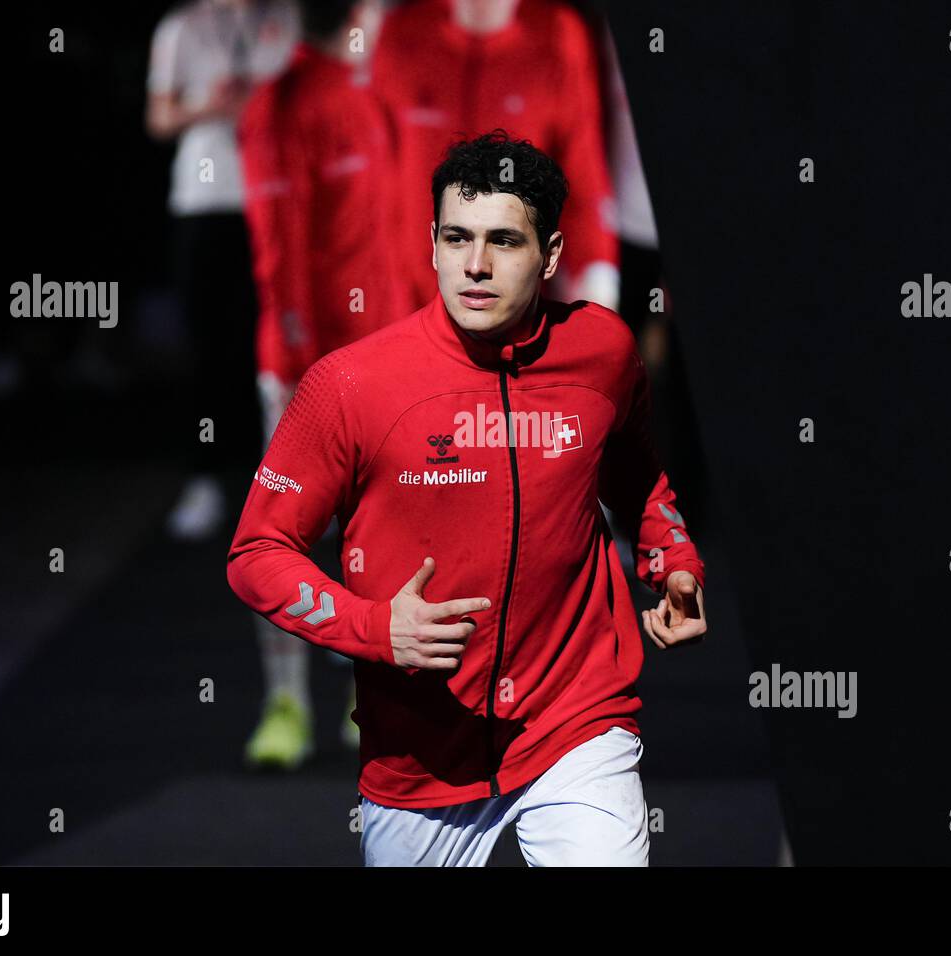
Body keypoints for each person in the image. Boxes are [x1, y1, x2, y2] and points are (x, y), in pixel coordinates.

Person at [227, 130, 706, 866]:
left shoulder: (604, 353)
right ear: (432, 243)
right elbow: (257, 552)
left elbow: (635, 477)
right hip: (420, 760)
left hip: (575, 719)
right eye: (457, 237)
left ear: (550, 255)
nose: (475, 266)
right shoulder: (351, 385)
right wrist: (375, 627)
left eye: (504, 242)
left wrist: (670, 557)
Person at [235, 0, 401, 768]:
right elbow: (279, 249)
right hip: (305, 371)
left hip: (389, 360)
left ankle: (368, 695)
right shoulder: (281, 106)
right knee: (281, 541)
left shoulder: (372, 94)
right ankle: (286, 702)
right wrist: (299, 363)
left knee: (387, 537)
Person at [146, 0, 299, 540]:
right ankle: (205, 479)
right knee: (208, 348)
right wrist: (211, 106)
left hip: (279, 198)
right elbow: (159, 117)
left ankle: (290, 488)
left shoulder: (289, 19)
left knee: (281, 344)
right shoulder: (183, 27)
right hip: (207, 202)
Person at [373, 0, 621, 315]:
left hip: (511, 304)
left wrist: (597, 281)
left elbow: (583, 175)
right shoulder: (397, 33)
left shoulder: (559, 36)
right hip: (408, 300)